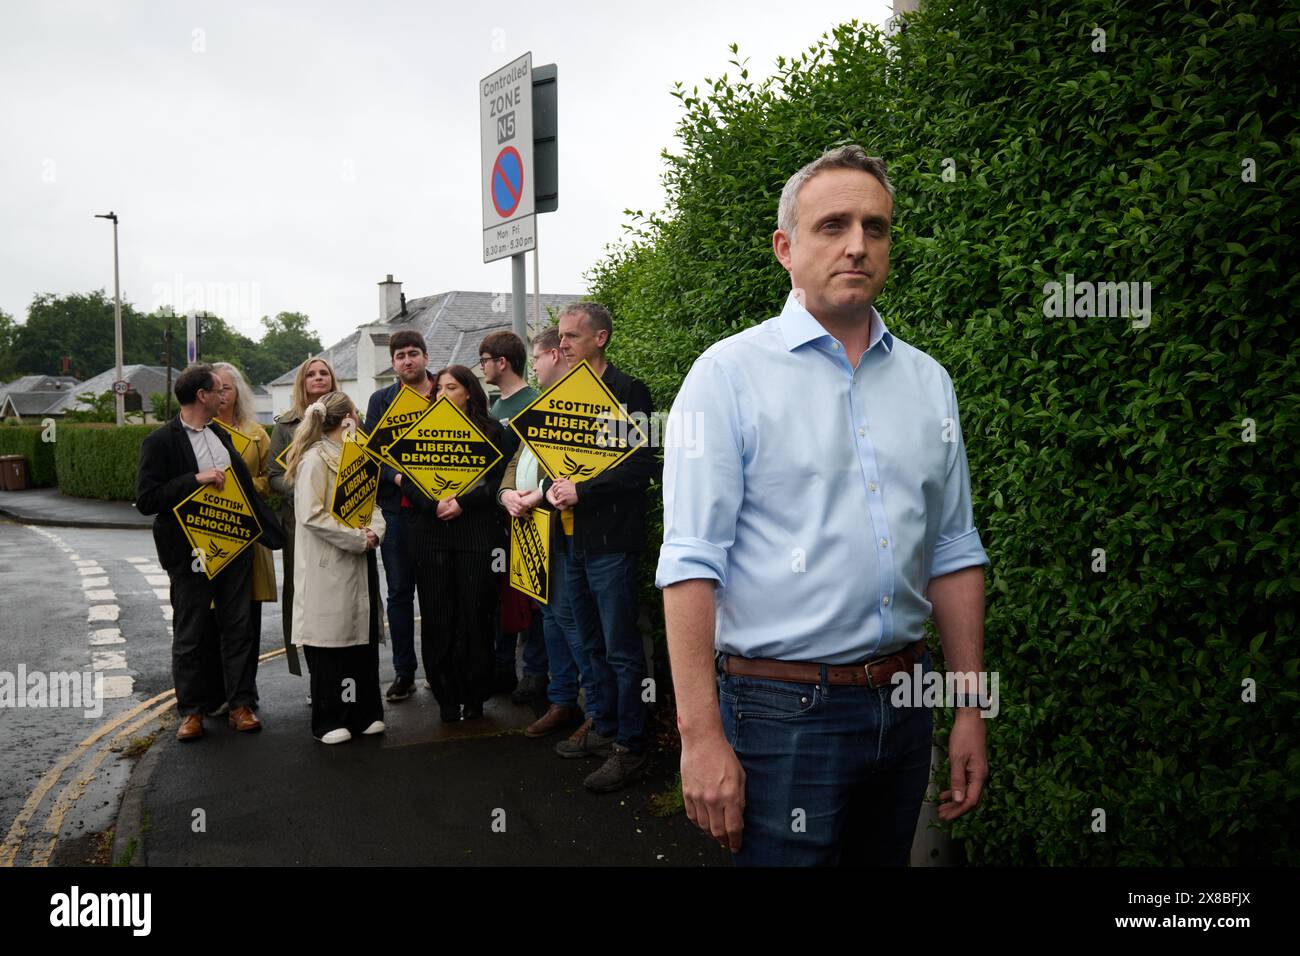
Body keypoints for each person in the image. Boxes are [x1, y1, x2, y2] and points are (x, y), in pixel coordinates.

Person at [657, 145, 992, 866]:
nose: (857, 245)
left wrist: (969, 710)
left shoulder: (930, 384)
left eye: (876, 227)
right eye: (833, 224)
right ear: (785, 247)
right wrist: (700, 736)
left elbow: (953, 552)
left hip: (906, 703)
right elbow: (690, 563)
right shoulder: (727, 377)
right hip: (783, 718)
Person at [542, 302, 660, 793]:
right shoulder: (560, 394)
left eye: (571, 336)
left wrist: (582, 491)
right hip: (570, 539)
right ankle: (605, 727)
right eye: (562, 337)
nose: (562, 343)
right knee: (588, 645)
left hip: (611, 541)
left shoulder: (630, 391)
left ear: (601, 338)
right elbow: (557, 459)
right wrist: (552, 486)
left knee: (621, 649)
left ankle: (632, 749)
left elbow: (642, 467)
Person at [135, 363, 284, 742]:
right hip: (189, 554)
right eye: (219, 390)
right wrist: (194, 480)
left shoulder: (221, 435)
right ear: (201, 396)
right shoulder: (160, 441)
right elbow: (147, 499)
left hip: (235, 548)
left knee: (238, 629)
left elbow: (246, 491)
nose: (225, 395)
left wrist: (270, 532)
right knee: (191, 635)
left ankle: (240, 705)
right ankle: (191, 713)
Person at [498, 327, 599, 738]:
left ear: (555, 356)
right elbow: (516, 457)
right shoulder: (539, 404)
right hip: (527, 526)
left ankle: (595, 707)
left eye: (536, 358)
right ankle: (562, 701)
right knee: (550, 617)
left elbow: (582, 465)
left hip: (561, 528)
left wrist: (536, 495)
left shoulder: (581, 401)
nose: (533, 366)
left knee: (572, 620)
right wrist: (507, 493)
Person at [406, 365, 510, 722]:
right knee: (437, 618)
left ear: (468, 392)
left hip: (477, 533)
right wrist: (432, 504)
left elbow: (498, 479)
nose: (442, 395)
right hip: (430, 534)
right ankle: (446, 697)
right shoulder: (417, 432)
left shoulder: (492, 430)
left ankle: (475, 695)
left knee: (475, 615)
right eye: (438, 389)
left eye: (451, 388)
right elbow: (405, 479)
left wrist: (463, 502)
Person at [283, 390, 386, 744]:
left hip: (359, 561)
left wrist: (375, 531)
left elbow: (373, 504)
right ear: (347, 420)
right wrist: (357, 539)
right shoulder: (314, 460)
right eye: (356, 413)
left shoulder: (357, 457)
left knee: (361, 642)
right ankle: (329, 719)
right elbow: (311, 515)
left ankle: (365, 712)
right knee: (331, 646)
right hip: (329, 565)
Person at [363, 330, 435, 703]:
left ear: (425, 356)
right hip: (398, 514)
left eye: (413, 354)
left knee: (439, 595)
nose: (407, 361)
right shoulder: (381, 400)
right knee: (399, 595)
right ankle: (404, 672)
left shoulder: (445, 389)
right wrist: (398, 477)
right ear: (392, 362)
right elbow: (372, 453)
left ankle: (439, 671)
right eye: (400, 356)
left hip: (441, 512)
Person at [479, 329, 547, 703]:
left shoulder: (533, 403)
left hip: (530, 514)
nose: (483, 367)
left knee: (533, 599)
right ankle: (504, 668)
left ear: (501, 362)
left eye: (486, 360)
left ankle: (536, 675)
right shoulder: (494, 407)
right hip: (498, 514)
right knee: (503, 596)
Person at [207, 361, 277, 715]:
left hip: (249, 534)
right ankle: (216, 693)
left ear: (238, 394)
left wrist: (244, 488)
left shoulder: (256, 433)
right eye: (215, 389)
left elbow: (271, 478)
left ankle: (244, 695)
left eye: (227, 389)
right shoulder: (198, 431)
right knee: (211, 620)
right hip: (209, 535)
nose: (221, 396)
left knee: (247, 619)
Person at [268, 356, 339, 682]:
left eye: (324, 373)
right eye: (311, 373)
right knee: (303, 595)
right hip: (298, 523)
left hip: (341, 520)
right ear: (302, 382)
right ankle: (313, 675)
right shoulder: (284, 426)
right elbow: (273, 476)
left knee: (342, 595)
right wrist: (307, 490)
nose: (318, 377)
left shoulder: (349, 420)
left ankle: (343, 672)